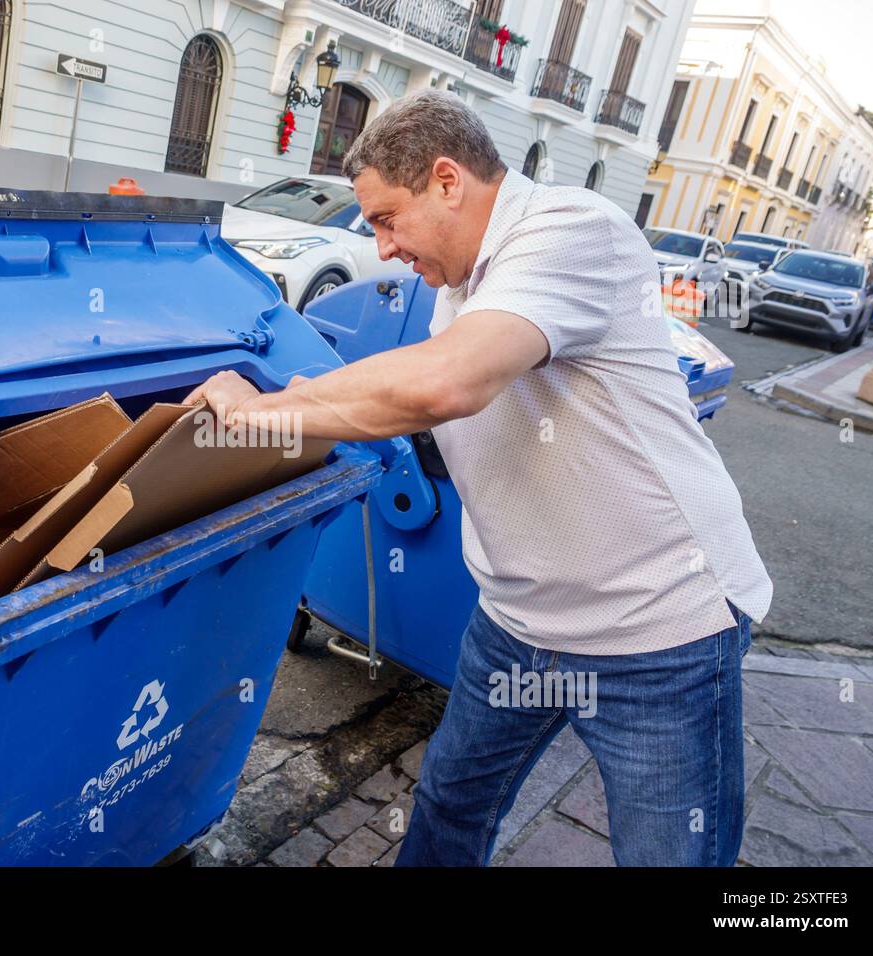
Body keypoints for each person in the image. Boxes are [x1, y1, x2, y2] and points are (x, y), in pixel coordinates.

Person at [185, 90, 772, 866]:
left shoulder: (572, 231)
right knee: (449, 810)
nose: (384, 248)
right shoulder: (459, 282)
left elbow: (446, 384)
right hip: (518, 622)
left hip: (658, 630)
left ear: (448, 180)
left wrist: (260, 413)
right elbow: (407, 396)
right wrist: (297, 402)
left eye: (388, 219)